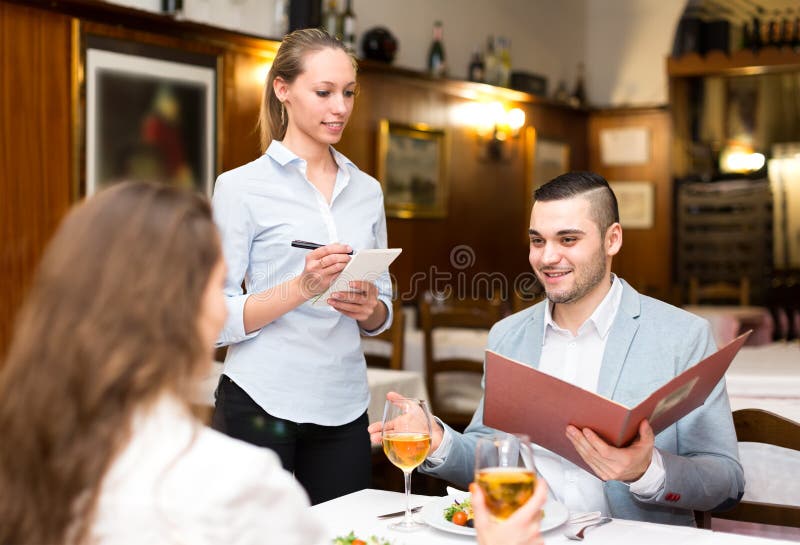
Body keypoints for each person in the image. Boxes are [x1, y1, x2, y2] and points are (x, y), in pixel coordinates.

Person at [369, 171, 744, 526]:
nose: (547, 257)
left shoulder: (682, 336)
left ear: (612, 239)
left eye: (568, 239)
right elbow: (489, 455)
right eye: (537, 240)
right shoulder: (507, 335)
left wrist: (646, 471)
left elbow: (726, 481)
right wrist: (439, 440)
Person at [0, 182, 321, 545]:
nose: (221, 310)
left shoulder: (21, 452)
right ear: (178, 308)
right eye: (217, 288)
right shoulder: (243, 488)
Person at [211, 27, 393, 505]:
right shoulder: (239, 188)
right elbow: (212, 319)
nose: (341, 108)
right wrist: (302, 286)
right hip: (259, 399)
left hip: (343, 403)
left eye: (349, 93)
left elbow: (384, 308)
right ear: (283, 89)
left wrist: (371, 307)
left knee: (346, 534)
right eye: (324, 92)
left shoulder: (368, 190)